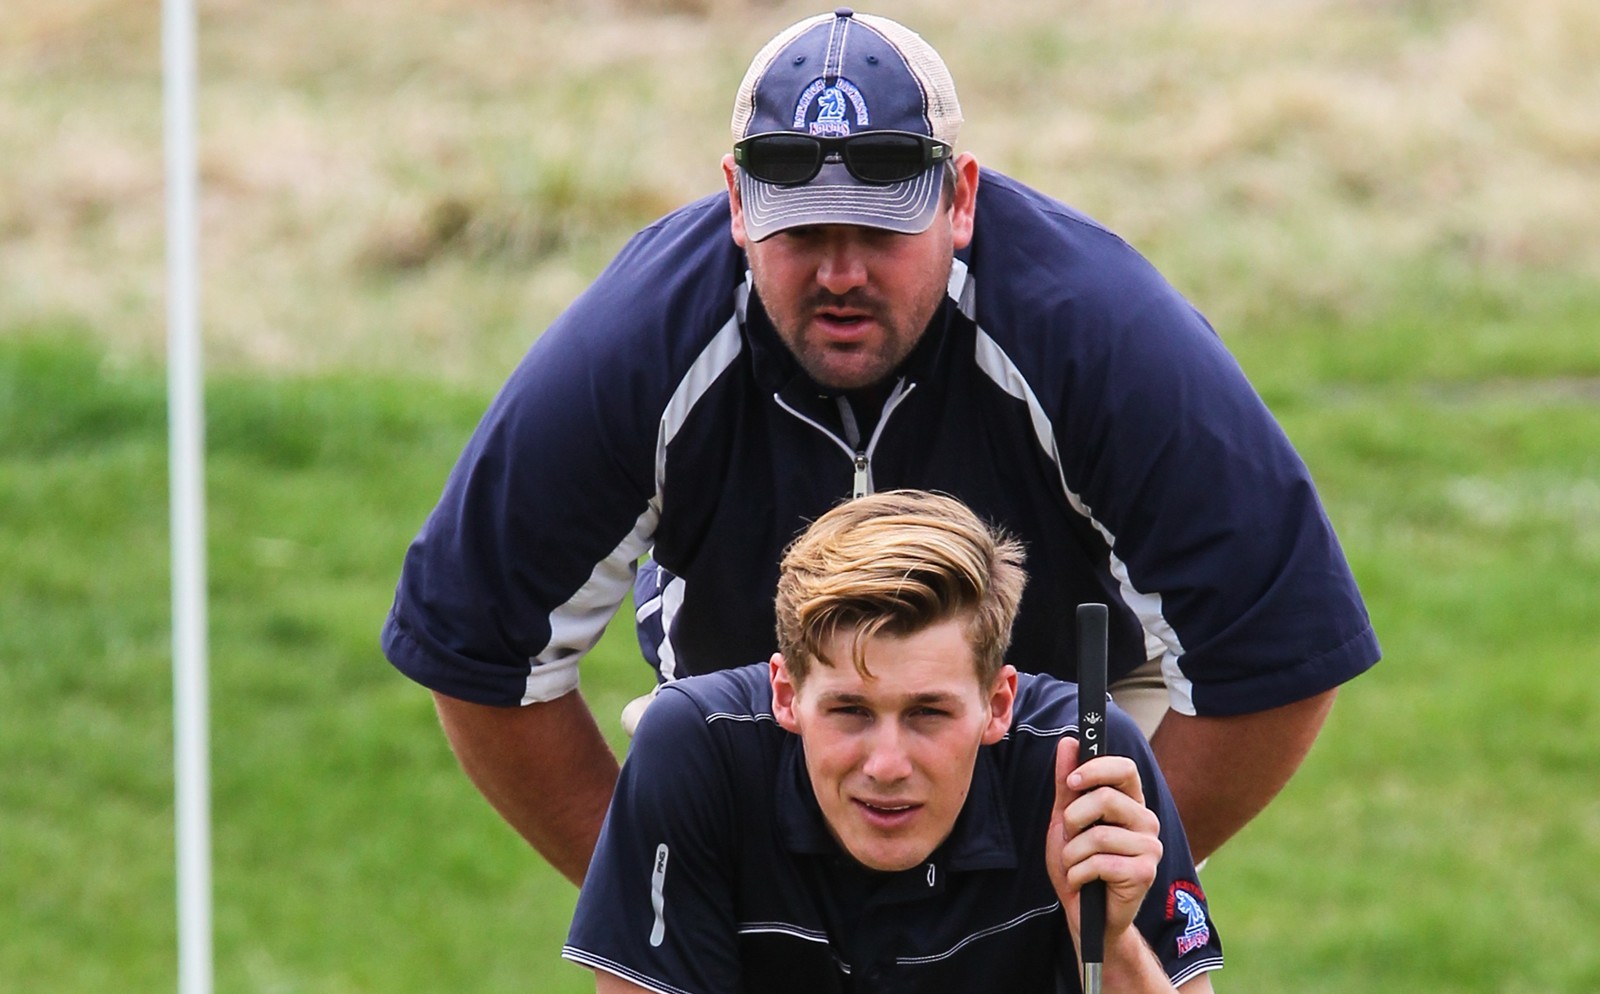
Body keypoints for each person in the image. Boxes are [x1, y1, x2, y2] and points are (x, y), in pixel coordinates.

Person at [381, 9, 1380, 886]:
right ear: (737, 204)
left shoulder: (1100, 336)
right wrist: (654, 900)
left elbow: (1273, 648)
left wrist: (1082, 895)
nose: (841, 273)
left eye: (880, 229)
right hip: (752, 737)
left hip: (1061, 742)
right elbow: (477, 642)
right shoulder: (638, 346)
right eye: (804, 234)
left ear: (960, 200)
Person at [563, 490, 1239, 994]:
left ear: (998, 703)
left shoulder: (1086, 761)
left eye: (928, 713)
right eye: (851, 711)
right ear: (787, 692)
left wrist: (1113, 940)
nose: (886, 764)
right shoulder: (694, 751)